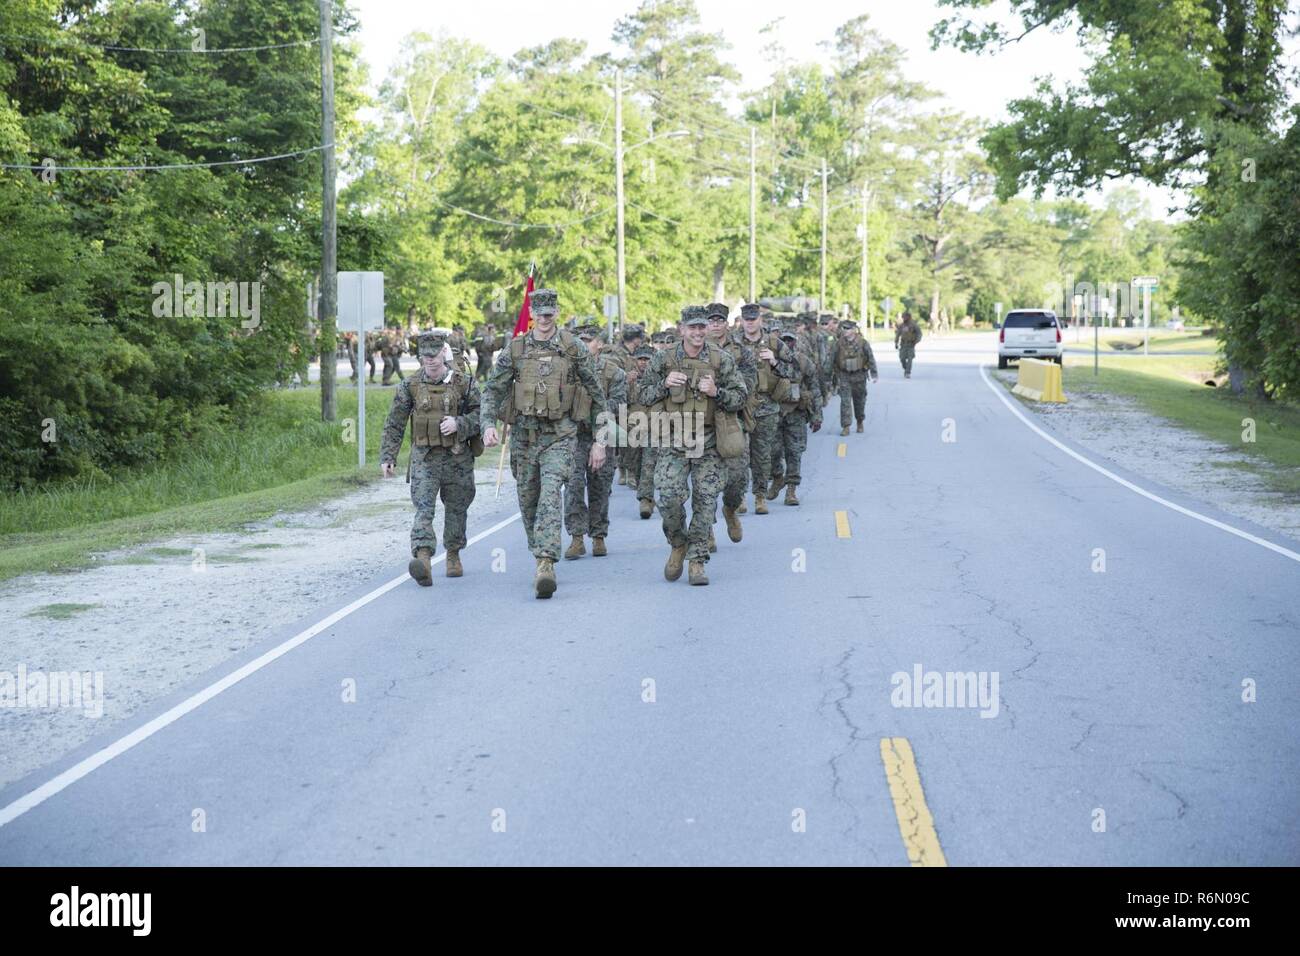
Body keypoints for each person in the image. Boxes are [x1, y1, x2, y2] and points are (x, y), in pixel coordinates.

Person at [480, 289, 606, 599]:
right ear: (533, 313)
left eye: (550, 312)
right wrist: (487, 424)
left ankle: (546, 563)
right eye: (541, 312)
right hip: (524, 438)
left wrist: (600, 440)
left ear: (557, 313)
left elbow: (597, 395)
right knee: (529, 502)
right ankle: (539, 553)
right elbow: (493, 390)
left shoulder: (573, 348)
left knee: (551, 495)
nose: (546, 318)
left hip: (560, 436)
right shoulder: (517, 349)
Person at [636, 306, 747, 586]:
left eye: (702, 327)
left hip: (709, 441)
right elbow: (642, 394)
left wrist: (716, 392)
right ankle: (677, 543)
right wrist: (663, 383)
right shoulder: (664, 358)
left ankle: (697, 560)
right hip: (673, 440)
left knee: (705, 501)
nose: (698, 332)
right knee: (670, 498)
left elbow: (740, 397)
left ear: (708, 329)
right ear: (682, 329)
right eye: (692, 327)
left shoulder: (721, 360)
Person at [379, 330, 482, 585]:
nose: (430, 361)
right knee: (424, 508)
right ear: (420, 357)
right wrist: (388, 456)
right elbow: (395, 422)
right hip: (425, 459)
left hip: (458, 459)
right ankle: (423, 558)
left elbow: (482, 416)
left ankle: (453, 554)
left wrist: (460, 424)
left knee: (457, 508)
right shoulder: (410, 386)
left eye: (434, 356)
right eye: (425, 356)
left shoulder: (465, 383)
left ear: (443, 354)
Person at [564, 324, 627, 560]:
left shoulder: (613, 372)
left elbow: (619, 404)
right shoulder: (567, 370)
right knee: (573, 485)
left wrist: (592, 412)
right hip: (574, 436)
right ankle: (577, 537)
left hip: (604, 432)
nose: (583, 343)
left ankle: (598, 535)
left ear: (599, 344)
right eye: (579, 339)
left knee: (600, 485)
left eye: (588, 339)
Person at [733, 303, 798, 515]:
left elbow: (793, 372)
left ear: (761, 320)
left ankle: (760, 496)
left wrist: (775, 361)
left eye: (754, 318)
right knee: (740, 454)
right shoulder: (732, 343)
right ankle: (740, 496)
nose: (750, 322)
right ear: (742, 321)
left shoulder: (774, 343)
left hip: (766, 406)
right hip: (740, 405)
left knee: (762, 455)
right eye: (746, 319)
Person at [705, 302, 755, 543]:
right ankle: (707, 529)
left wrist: (717, 389)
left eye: (719, 320)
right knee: (705, 483)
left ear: (726, 323)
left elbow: (748, 386)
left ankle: (730, 509)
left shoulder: (741, 350)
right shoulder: (693, 349)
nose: (715, 324)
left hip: (732, 419)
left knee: (736, 479)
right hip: (701, 422)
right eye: (711, 320)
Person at [768, 327, 823, 504]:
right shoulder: (769, 361)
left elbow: (814, 388)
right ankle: (777, 478)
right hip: (774, 412)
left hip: (796, 413)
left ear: (795, 342)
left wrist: (817, 415)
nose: (787, 344)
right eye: (784, 340)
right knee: (772, 452)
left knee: (794, 452)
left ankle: (791, 489)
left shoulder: (803, 362)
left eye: (790, 340)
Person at [834, 319, 878, 435]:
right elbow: (831, 359)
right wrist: (829, 378)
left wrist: (874, 374)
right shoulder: (839, 343)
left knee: (859, 401)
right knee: (845, 402)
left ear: (854, 330)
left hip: (859, 376)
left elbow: (871, 358)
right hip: (844, 376)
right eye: (843, 328)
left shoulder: (863, 343)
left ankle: (860, 421)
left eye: (847, 328)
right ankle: (846, 426)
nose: (844, 331)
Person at [895, 310, 923, 378]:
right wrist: (896, 343)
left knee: (910, 359)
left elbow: (919, 334)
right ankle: (906, 369)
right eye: (903, 317)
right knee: (902, 358)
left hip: (911, 344)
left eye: (905, 317)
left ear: (909, 317)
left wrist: (916, 341)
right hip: (903, 344)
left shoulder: (914, 325)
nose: (903, 318)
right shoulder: (902, 325)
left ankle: (908, 372)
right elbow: (898, 334)